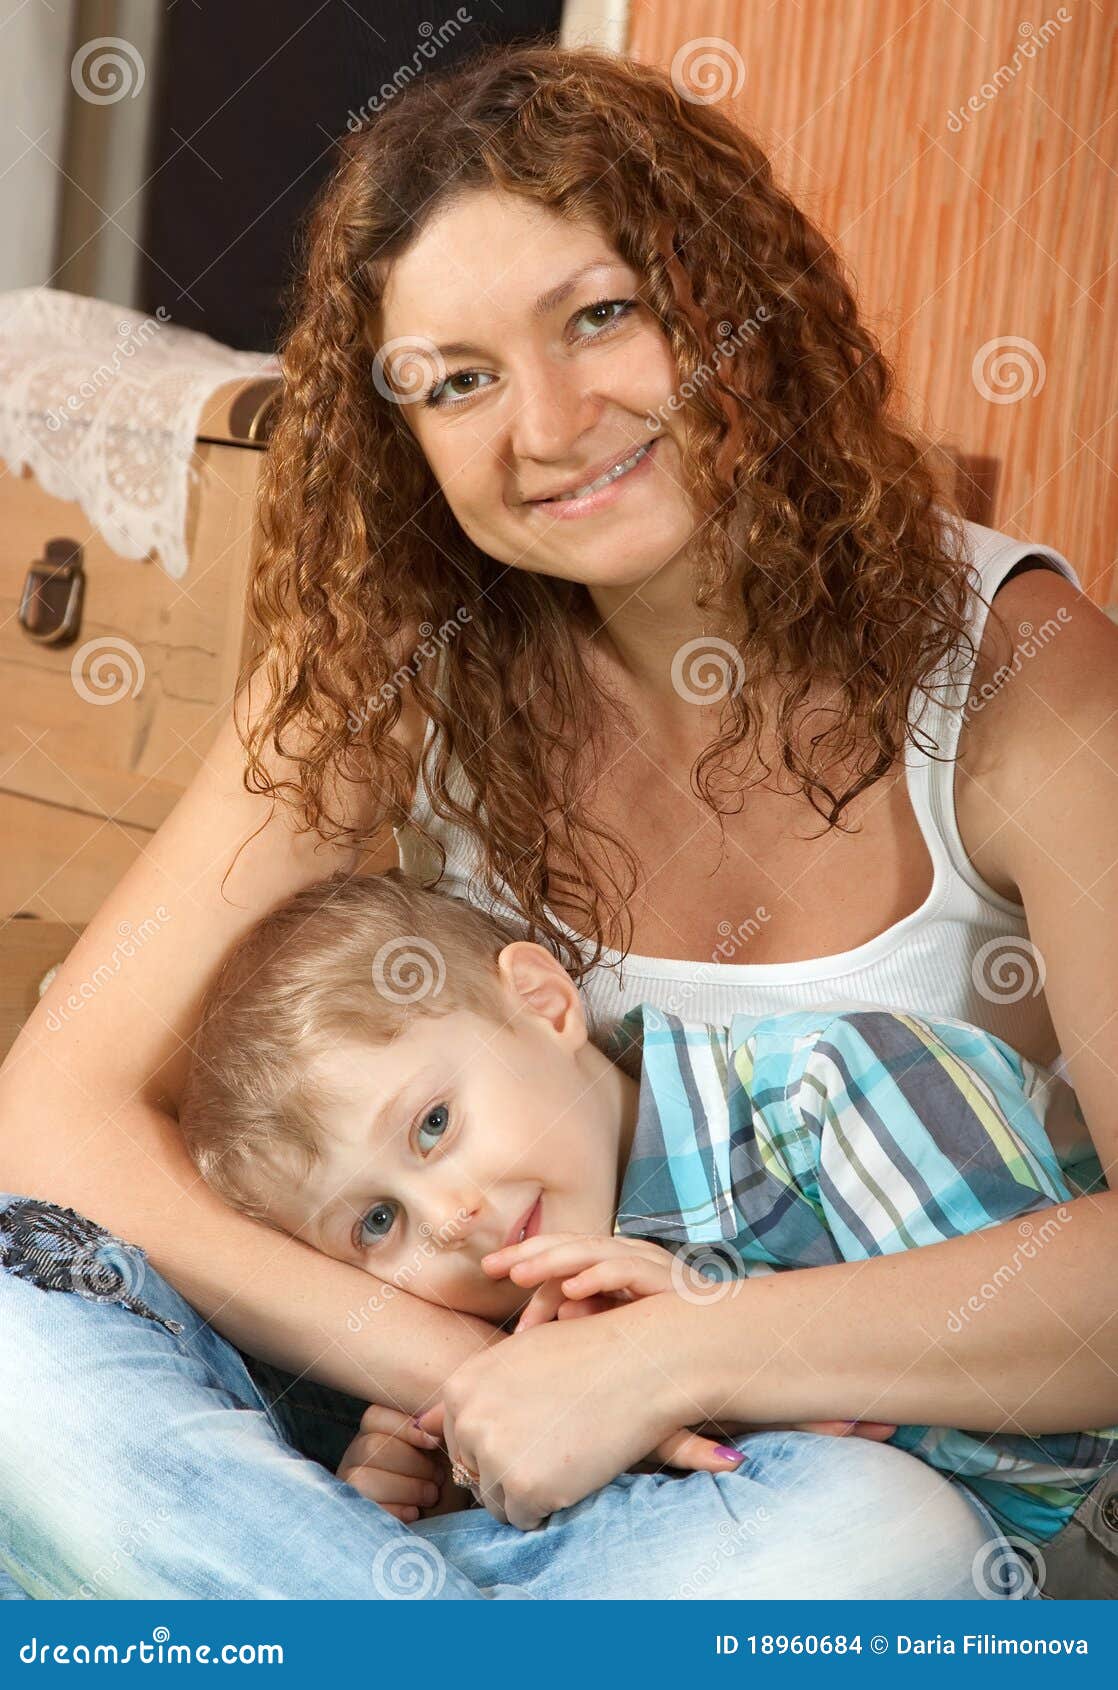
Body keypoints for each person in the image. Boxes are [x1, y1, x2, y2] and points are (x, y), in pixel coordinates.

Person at [1, 41, 1116, 1601]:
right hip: (431, 1492)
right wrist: (476, 1369)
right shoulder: (398, 658)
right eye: (455, 380)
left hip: (775, 1486)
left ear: (736, 304)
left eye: (601, 315)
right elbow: (53, 1114)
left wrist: (666, 1363)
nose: (546, 424)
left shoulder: (1022, 676)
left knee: (886, 1545)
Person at [175, 867, 1116, 1566]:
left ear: (543, 1006)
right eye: (377, 1224)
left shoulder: (829, 1089)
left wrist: (720, 1350)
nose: (450, 1218)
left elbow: (1070, 1428)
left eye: (433, 1124)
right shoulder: (499, 1329)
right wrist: (417, 1491)